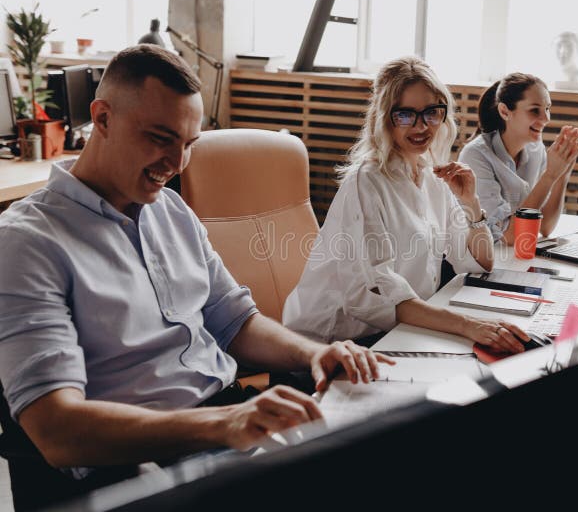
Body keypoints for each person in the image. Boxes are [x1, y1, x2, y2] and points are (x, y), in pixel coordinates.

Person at [0, 45, 390, 504]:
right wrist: (227, 425)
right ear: (102, 119)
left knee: (390, 451)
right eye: (160, 138)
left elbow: (236, 321)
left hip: (221, 416)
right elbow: (56, 430)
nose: (177, 163)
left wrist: (314, 355)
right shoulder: (26, 244)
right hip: (139, 461)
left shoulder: (170, 209)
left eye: (188, 144)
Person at [283, 56, 530, 354]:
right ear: (385, 118)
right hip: (334, 341)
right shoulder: (367, 181)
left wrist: (471, 203)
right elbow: (380, 298)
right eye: (405, 115)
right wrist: (467, 324)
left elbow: (479, 261)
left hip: (400, 330)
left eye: (431, 113)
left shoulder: (431, 175)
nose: (421, 126)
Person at [458, 73, 578, 243]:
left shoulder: (535, 150)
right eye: (534, 110)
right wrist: (550, 176)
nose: (546, 118)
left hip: (511, 258)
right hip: (479, 260)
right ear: (504, 111)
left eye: (547, 108)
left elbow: (545, 226)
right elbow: (509, 235)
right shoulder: (475, 156)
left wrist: (562, 175)